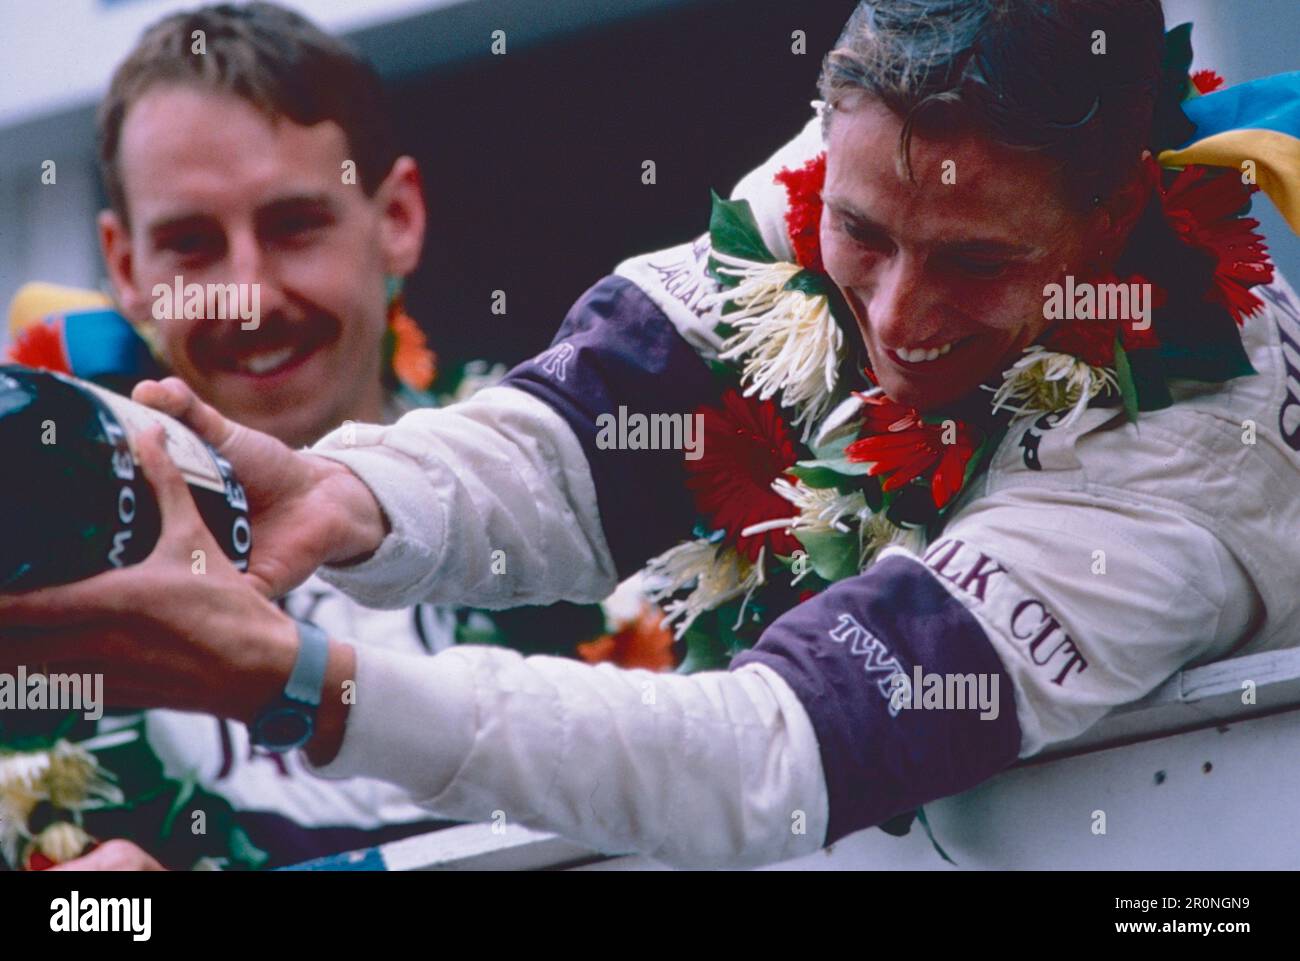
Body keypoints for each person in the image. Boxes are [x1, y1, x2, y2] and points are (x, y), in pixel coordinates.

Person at [4, 0, 1299, 869]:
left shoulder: (1196, 456)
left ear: (1122, 203)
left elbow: (765, 752)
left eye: (975, 262)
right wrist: (341, 497)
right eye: (862, 236)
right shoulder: (863, 157)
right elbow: (584, 442)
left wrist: (290, 677)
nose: (899, 315)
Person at [3, 2, 609, 870]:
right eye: (191, 244)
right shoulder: (35, 597)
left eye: (293, 225)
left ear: (396, 216)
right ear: (127, 269)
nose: (248, 293)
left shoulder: (594, 510)